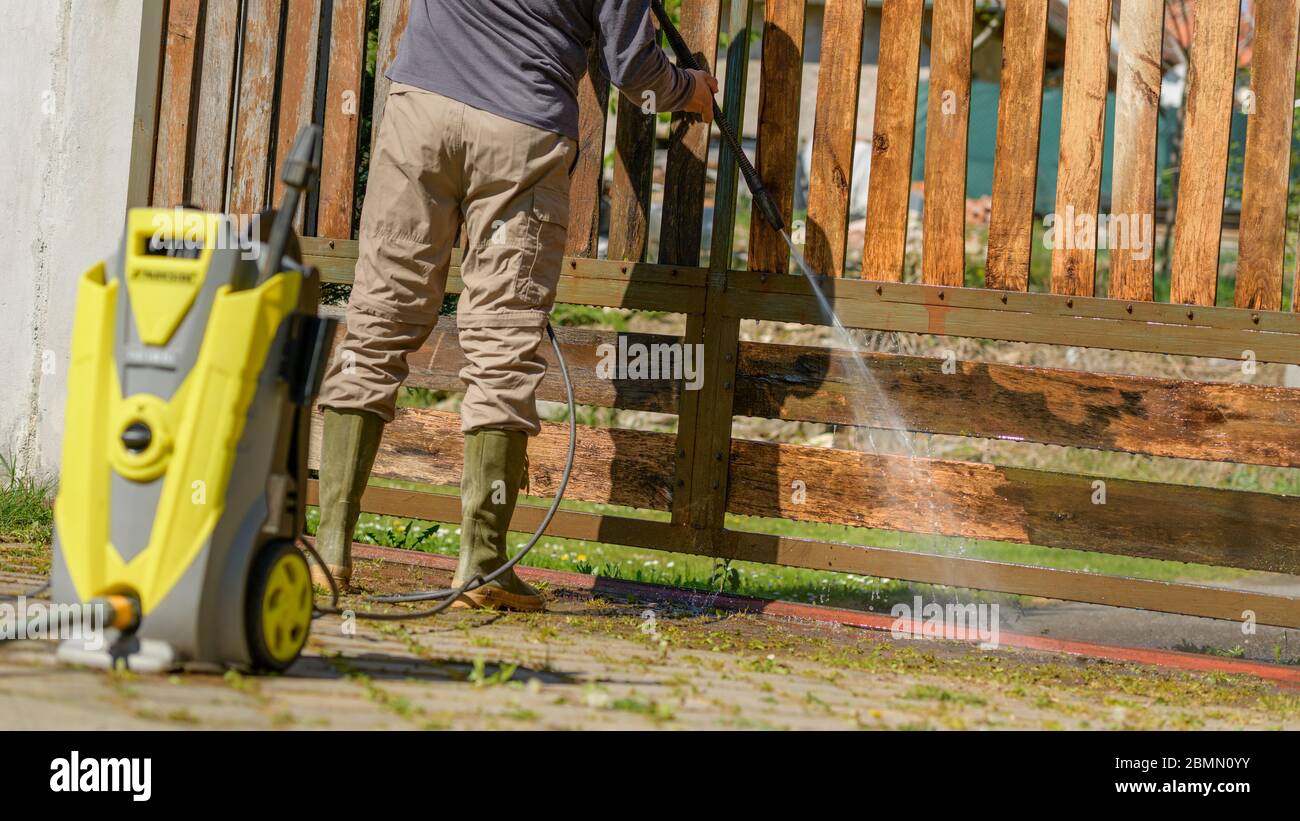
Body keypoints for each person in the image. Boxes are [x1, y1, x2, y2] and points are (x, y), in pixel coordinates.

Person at [312, 0, 718, 611]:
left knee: (378, 322)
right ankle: (480, 568)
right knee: (502, 341)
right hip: (521, 133)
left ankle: (330, 554)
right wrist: (690, 90)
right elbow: (635, 74)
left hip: (421, 107)